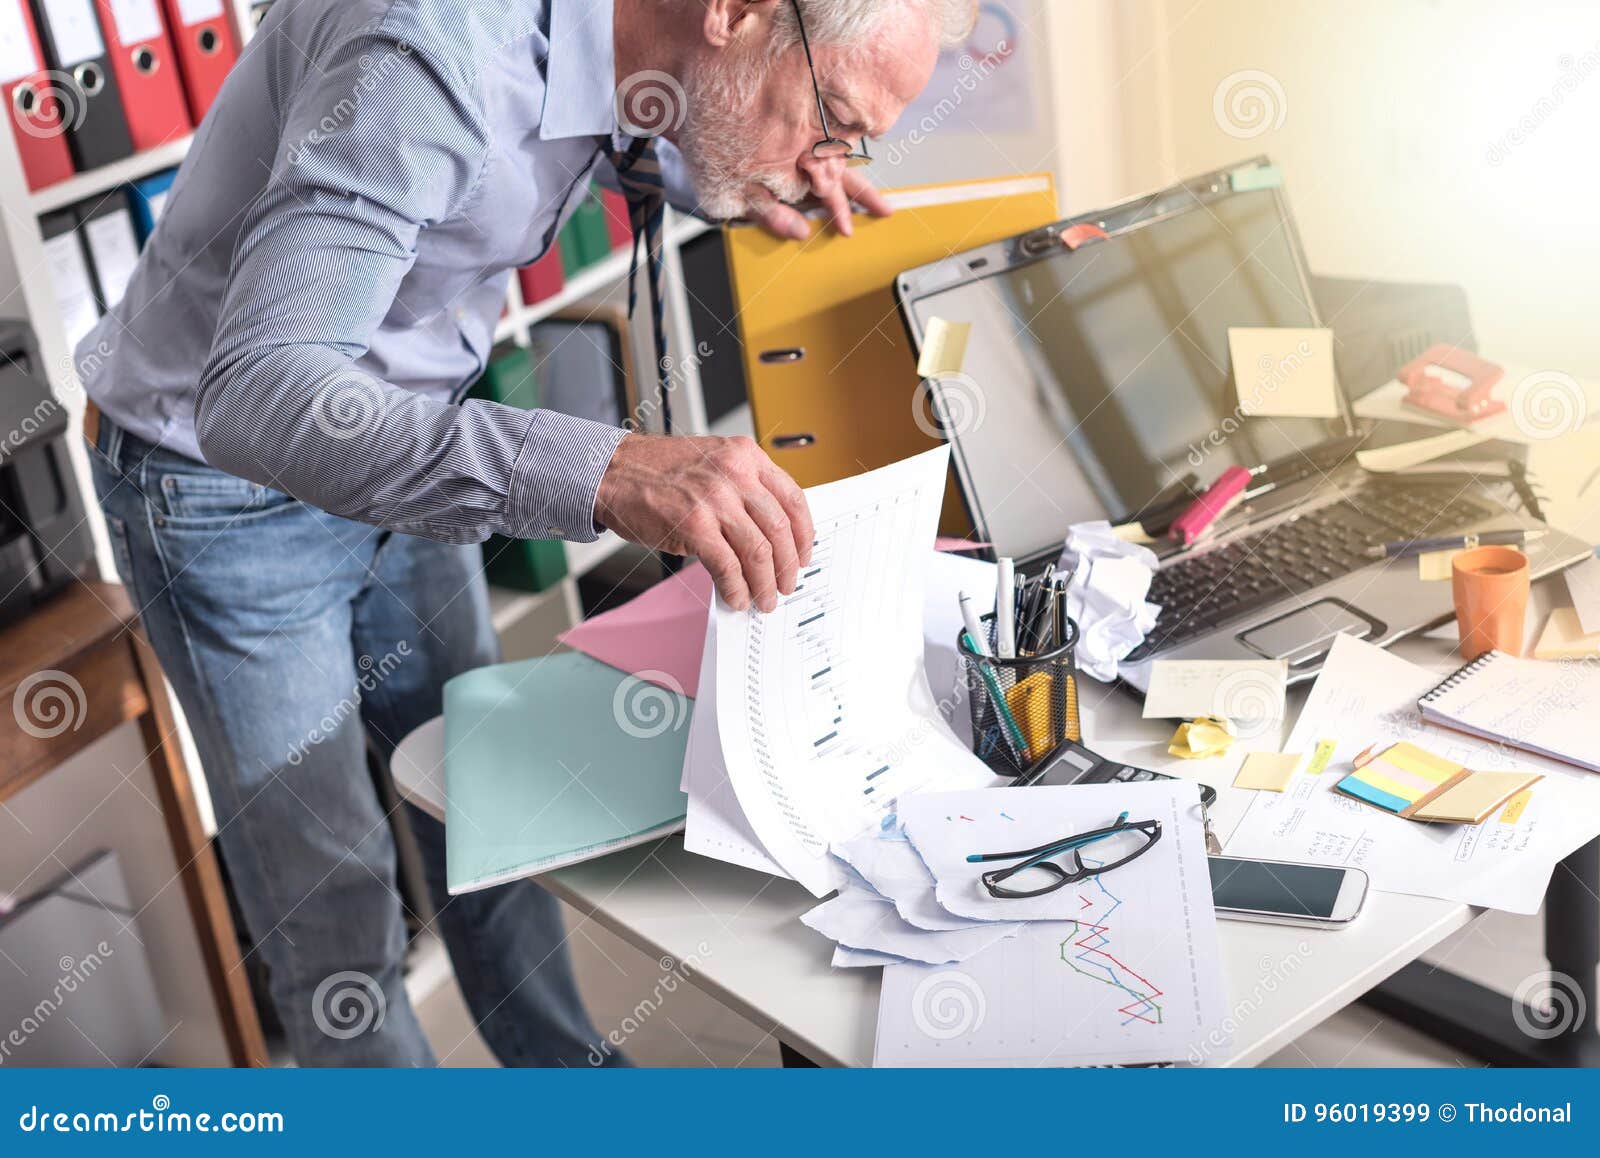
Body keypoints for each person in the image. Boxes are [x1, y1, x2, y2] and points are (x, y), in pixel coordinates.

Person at [80, 0, 974, 1065]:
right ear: (735, 11)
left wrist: (741, 171)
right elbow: (259, 395)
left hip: (403, 434)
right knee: (337, 919)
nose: (831, 154)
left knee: (485, 819)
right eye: (832, 119)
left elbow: (608, 107)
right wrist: (600, 468)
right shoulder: (426, 51)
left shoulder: (635, 31)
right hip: (222, 481)